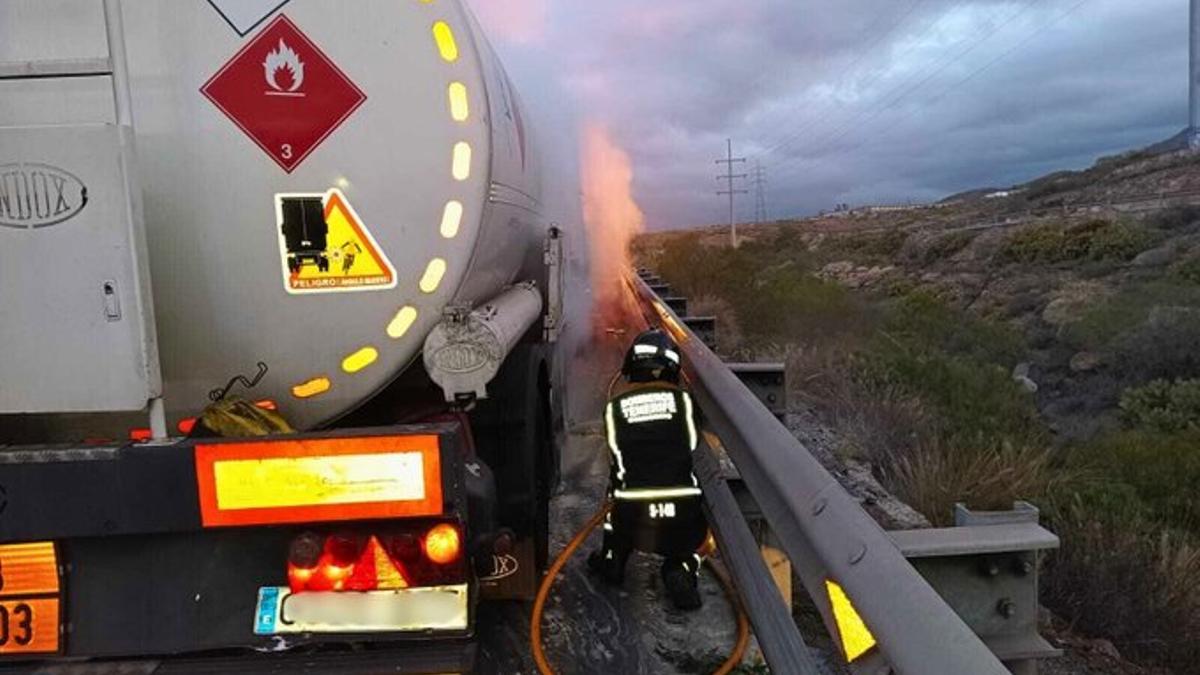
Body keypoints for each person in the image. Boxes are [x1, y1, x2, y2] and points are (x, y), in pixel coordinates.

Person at [588, 329, 708, 610]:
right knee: (698, 543)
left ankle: (612, 560)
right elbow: (691, 444)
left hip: (633, 517)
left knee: (614, 495)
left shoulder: (614, 409)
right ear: (672, 368)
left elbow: (616, 459)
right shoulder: (685, 403)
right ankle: (681, 568)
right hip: (683, 513)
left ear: (631, 368)